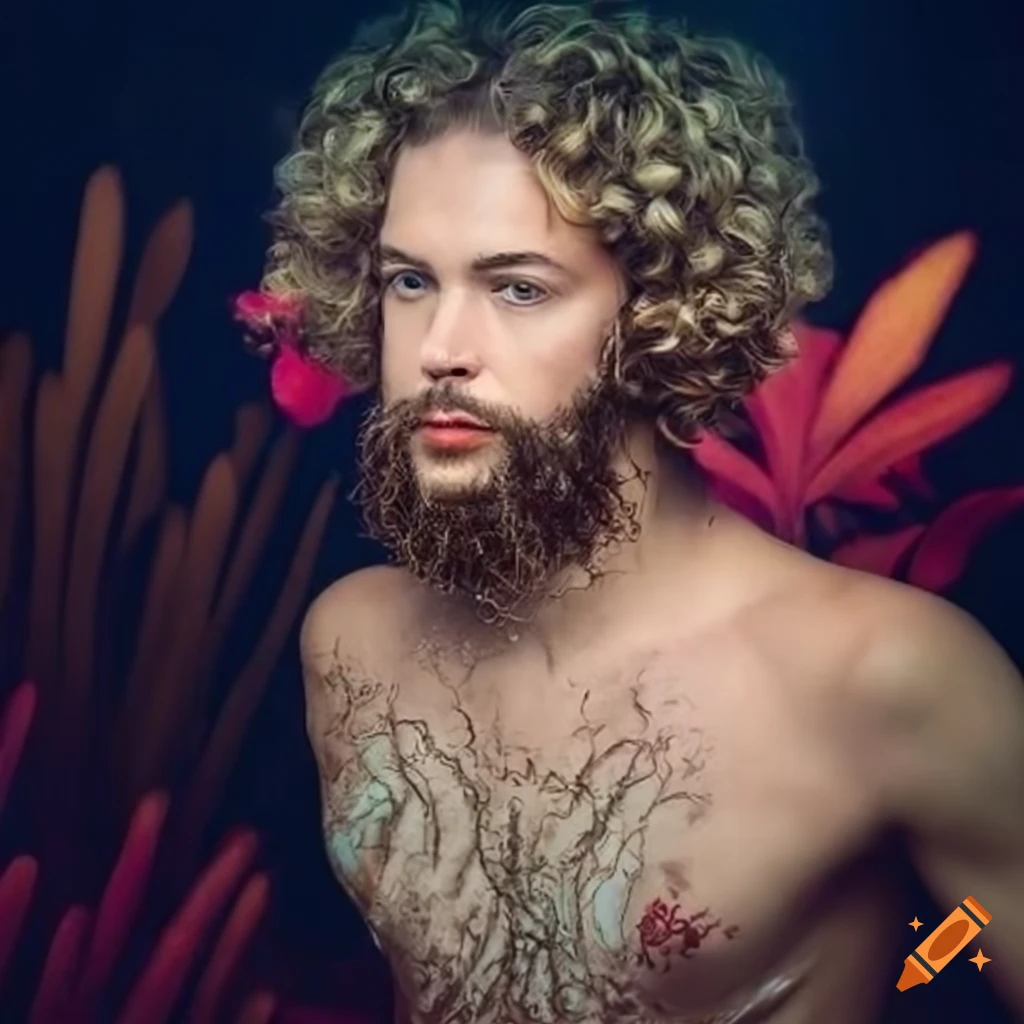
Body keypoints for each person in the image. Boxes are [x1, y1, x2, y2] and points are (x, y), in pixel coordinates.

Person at [255, 1, 1024, 1020]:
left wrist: (936, 970)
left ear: (660, 309)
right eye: (408, 279)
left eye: (517, 288)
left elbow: (968, 955)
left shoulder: (882, 676)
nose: (440, 344)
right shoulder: (352, 645)